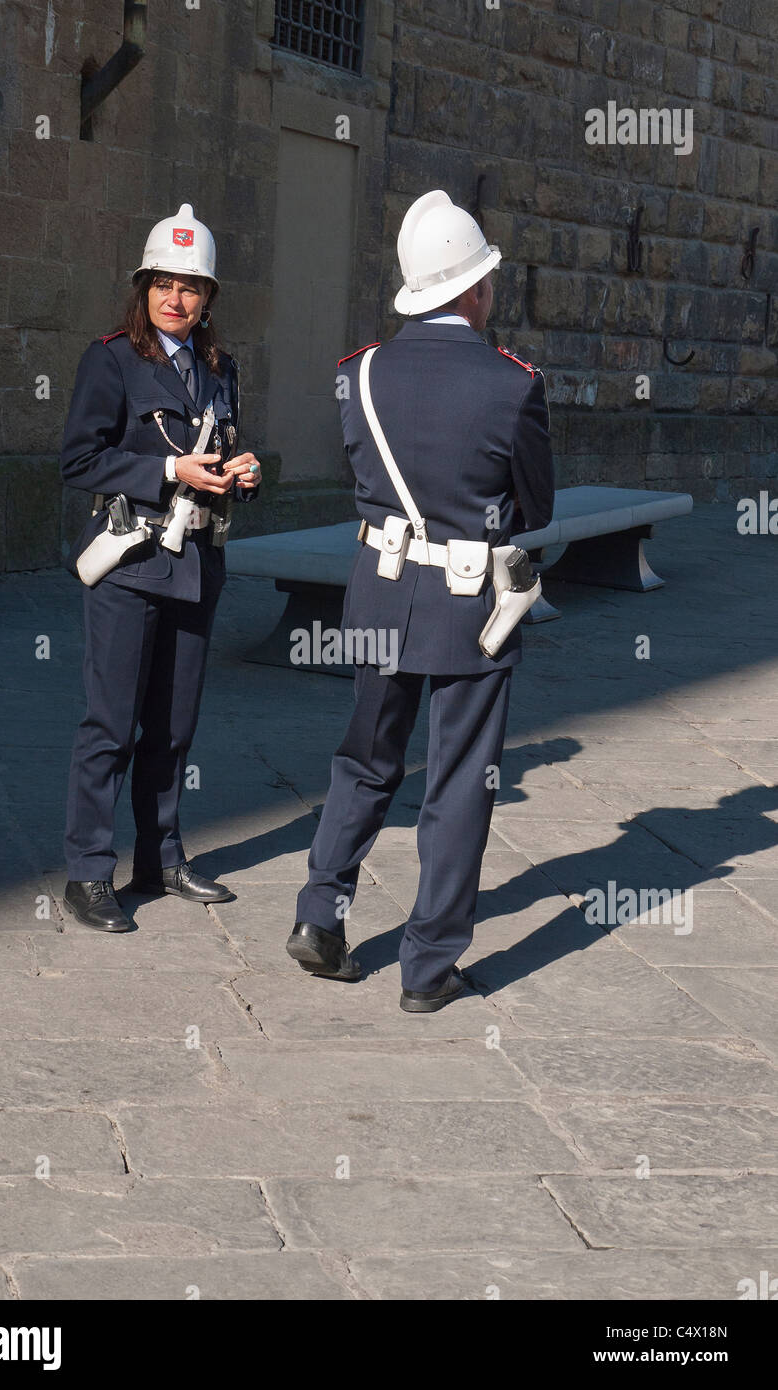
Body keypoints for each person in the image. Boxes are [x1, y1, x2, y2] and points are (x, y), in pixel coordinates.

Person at [288, 189, 554, 1011]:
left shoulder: (355, 372)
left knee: (364, 760)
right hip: (471, 606)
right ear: (473, 289)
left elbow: (366, 482)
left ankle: (321, 917)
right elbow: (536, 507)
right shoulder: (512, 384)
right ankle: (428, 965)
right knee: (459, 781)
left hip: (378, 592)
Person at [60, 203, 261, 932]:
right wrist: (169, 467)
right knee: (110, 725)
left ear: (208, 299)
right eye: (164, 284)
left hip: (199, 562)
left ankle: (161, 855)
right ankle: (87, 871)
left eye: (192, 287)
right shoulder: (111, 359)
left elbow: (226, 443)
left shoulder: (219, 368)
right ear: (143, 288)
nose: (176, 299)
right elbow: (78, 461)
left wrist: (243, 469)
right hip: (133, 563)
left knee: (174, 727)